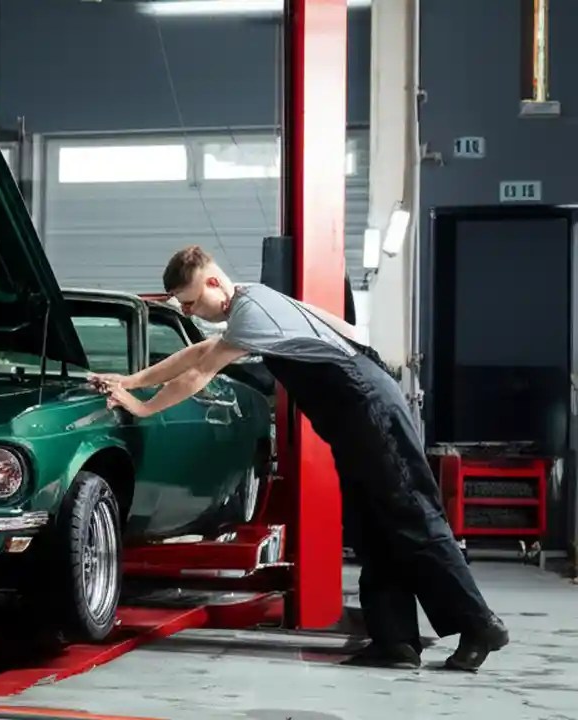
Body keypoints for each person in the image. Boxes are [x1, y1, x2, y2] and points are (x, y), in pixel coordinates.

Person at [90, 245, 508, 671]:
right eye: (184, 306)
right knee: (372, 528)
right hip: (353, 419)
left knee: (412, 516)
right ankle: (395, 642)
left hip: (370, 408)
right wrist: (132, 380)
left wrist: (142, 407)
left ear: (214, 282)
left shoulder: (252, 312)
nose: (193, 312)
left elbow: (200, 373)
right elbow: (196, 353)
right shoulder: (251, 301)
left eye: (194, 301)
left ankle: (480, 626)